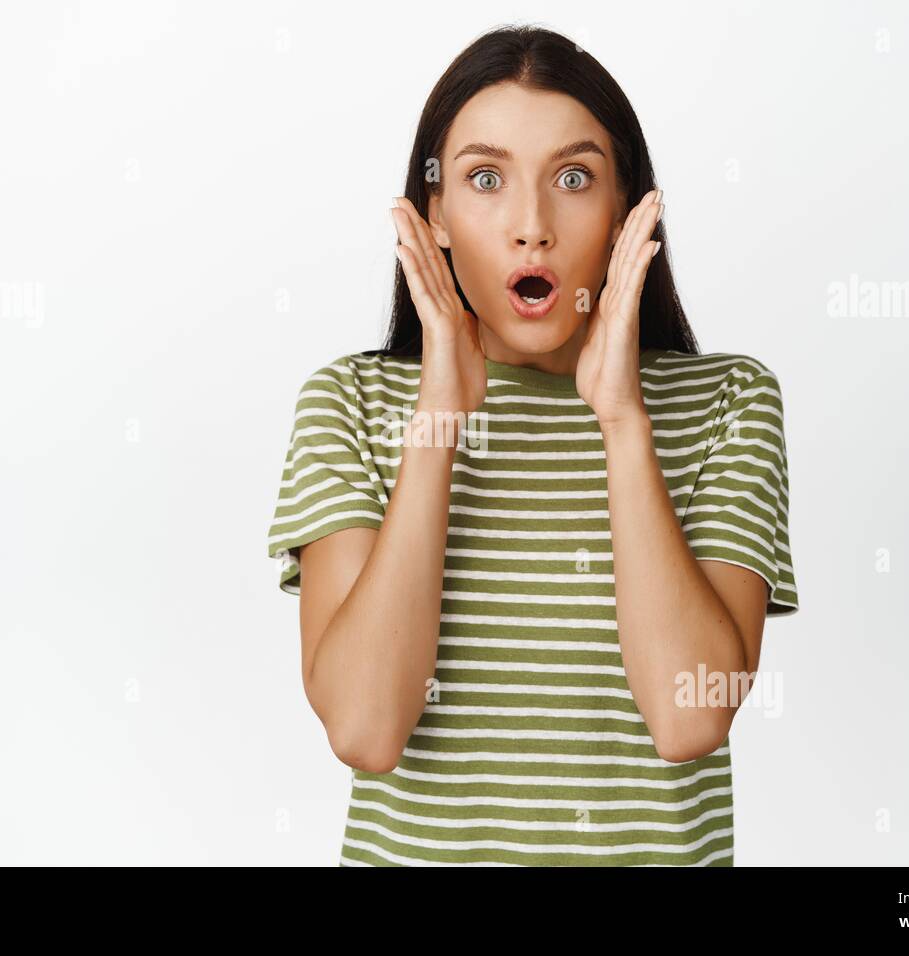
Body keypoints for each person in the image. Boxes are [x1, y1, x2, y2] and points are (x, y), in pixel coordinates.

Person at [266, 24, 799, 866]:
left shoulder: (729, 402)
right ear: (434, 215)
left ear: (625, 211)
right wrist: (439, 416)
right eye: (485, 179)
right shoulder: (352, 404)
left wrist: (622, 419)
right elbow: (366, 728)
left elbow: (689, 716)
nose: (531, 227)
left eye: (575, 178)